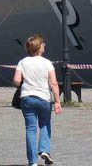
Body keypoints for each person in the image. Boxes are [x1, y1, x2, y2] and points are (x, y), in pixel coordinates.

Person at [13, 34, 62, 166]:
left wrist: (24, 80)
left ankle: (32, 161)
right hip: (43, 99)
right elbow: (54, 83)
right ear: (40, 47)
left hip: (27, 98)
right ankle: (45, 150)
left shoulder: (22, 62)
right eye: (43, 44)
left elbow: (17, 81)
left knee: (30, 129)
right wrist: (57, 101)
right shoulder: (47, 63)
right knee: (45, 124)